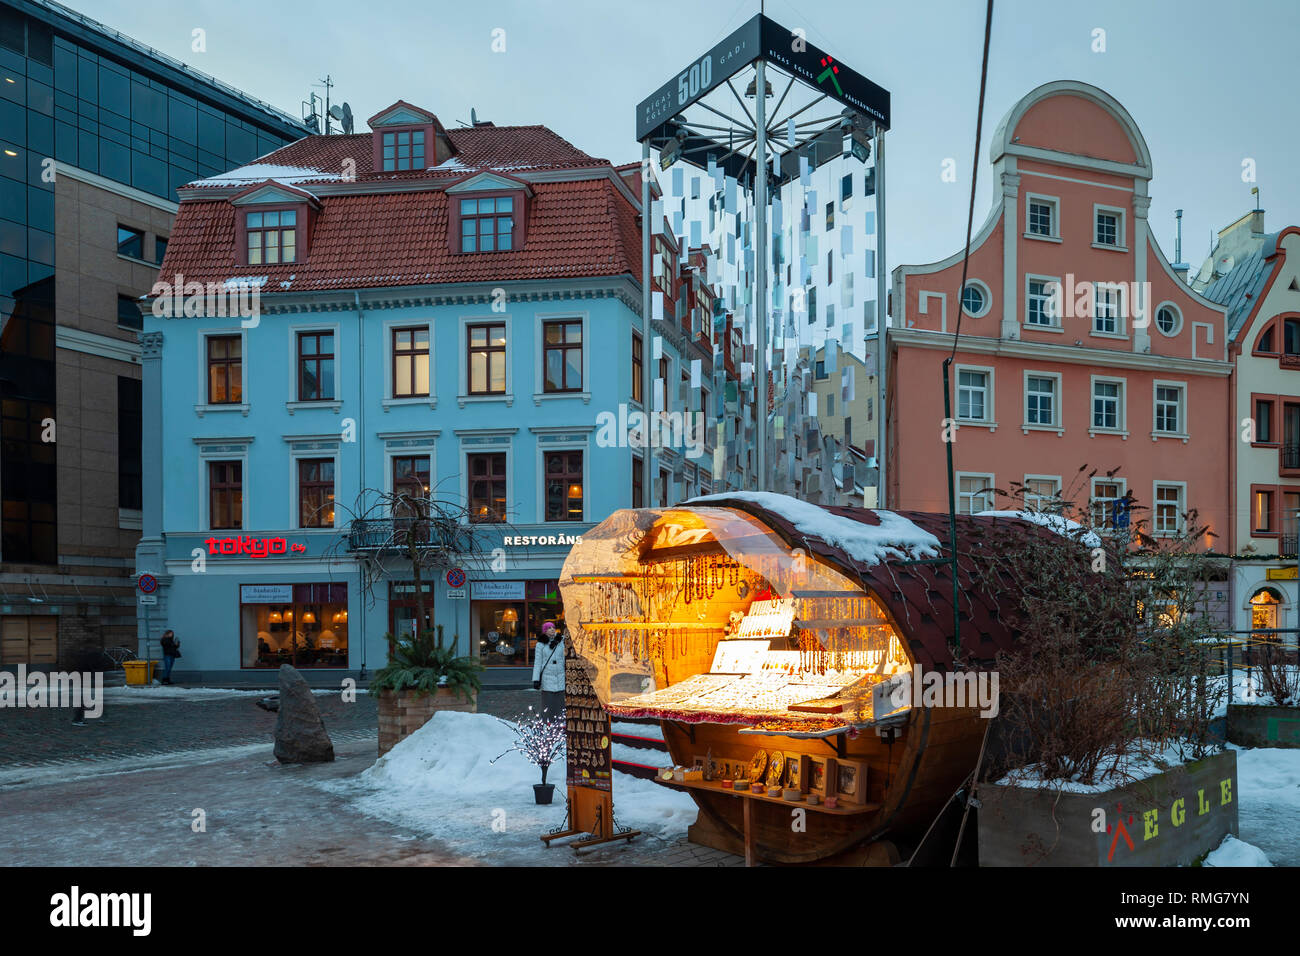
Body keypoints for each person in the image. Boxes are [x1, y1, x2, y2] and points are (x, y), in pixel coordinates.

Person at [532, 621, 565, 719]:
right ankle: (547, 722)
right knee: (548, 702)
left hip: (560, 676)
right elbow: (538, 662)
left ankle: (560, 723)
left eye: (553, 627)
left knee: (560, 703)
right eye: (549, 628)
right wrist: (536, 679)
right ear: (545, 631)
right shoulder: (540, 644)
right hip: (547, 676)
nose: (552, 629)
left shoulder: (561, 641)